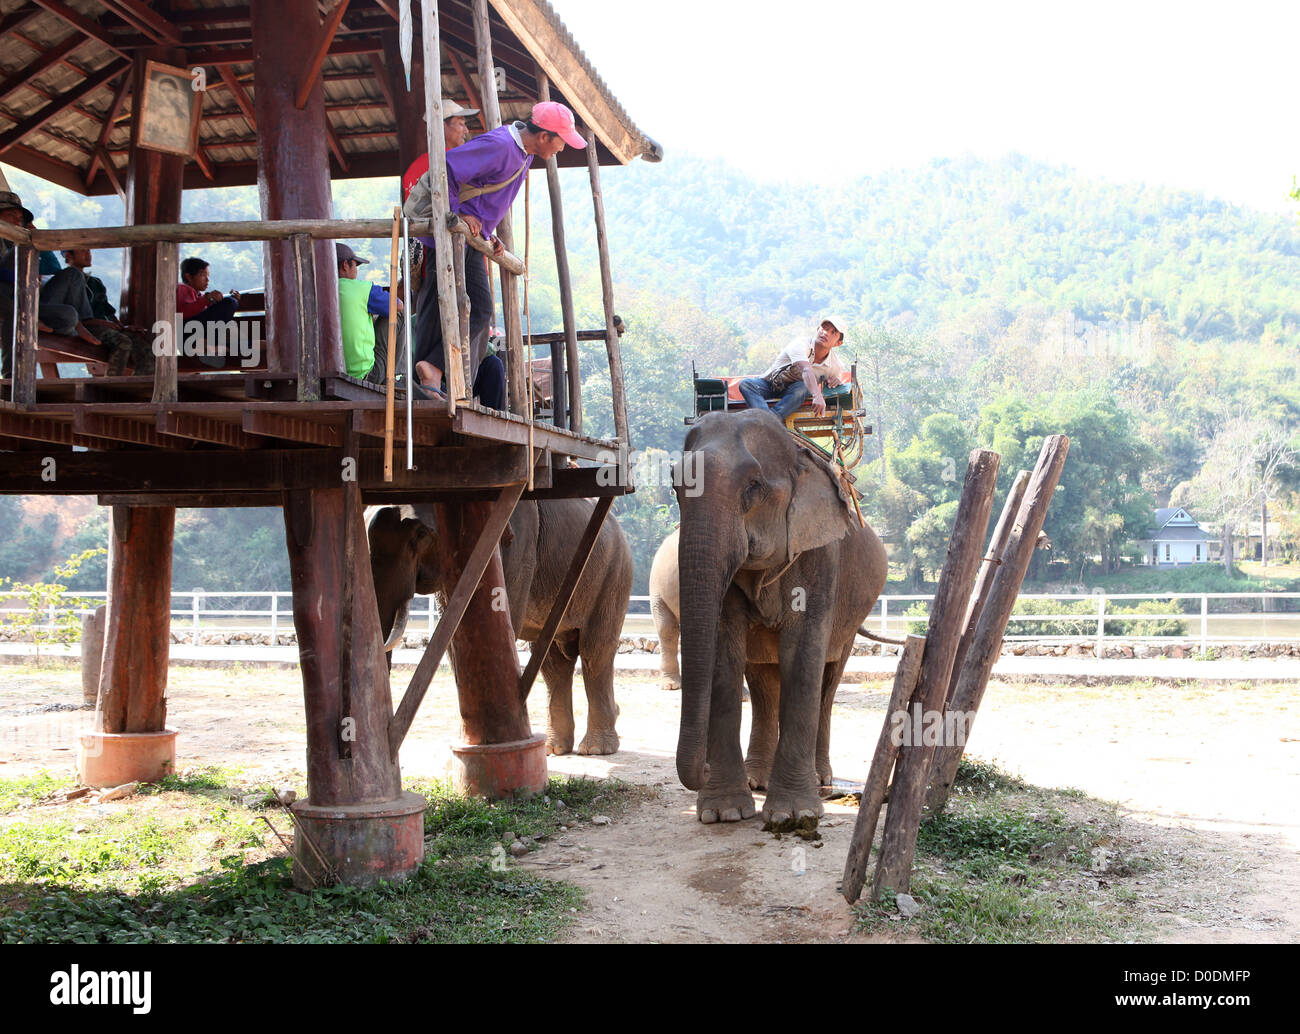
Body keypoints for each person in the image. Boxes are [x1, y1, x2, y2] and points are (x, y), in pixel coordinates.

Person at [403, 100, 585, 407]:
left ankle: (435, 372)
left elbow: (489, 195)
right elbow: (446, 168)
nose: (561, 149)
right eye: (561, 141)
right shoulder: (501, 146)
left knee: (464, 306)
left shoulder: (522, 154)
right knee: (456, 304)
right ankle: (433, 370)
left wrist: (491, 234)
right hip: (454, 231)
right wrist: (456, 212)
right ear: (544, 137)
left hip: (473, 238)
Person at [0, 190, 101, 377]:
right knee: (18, 252)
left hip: (29, 299)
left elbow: (53, 267)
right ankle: (11, 373)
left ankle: (84, 324)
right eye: (10, 214)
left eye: (20, 217)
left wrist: (33, 235)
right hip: (7, 300)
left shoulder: (20, 238)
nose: (16, 219)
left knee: (70, 293)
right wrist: (24, 276)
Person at [336, 242, 422, 391]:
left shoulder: (318, 289)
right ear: (345, 265)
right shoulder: (361, 289)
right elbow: (398, 305)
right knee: (399, 315)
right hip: (365, 375)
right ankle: (394, 376)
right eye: (355, 265)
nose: (356, 270)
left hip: (333, 373)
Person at [59, 249, 155, 375]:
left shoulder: (95, 282)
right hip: (84, 328)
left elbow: (107, 310)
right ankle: (112, 384)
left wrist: (122, 327)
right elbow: (74, 315)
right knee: (123, 343)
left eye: (89, 252)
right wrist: (105, 324)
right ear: (68, 255)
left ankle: (135, 386)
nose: (88, 255)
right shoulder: (64, 281)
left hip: (105, 326)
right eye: (83, 251)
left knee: (145, 349)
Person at [739, 317, 851, 420]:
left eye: (833, 333)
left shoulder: (835, 366)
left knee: (804, 387)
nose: (825, 333)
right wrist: (817, 395)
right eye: (824, 328)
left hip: (794, 393)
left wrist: (835, 382)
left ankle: (769, 420)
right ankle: (769, 420)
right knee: (746, 384)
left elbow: (833, 384)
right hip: (769, 385)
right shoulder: (800, 343)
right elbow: (805, 369)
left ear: (838, 343)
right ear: (817, 329)